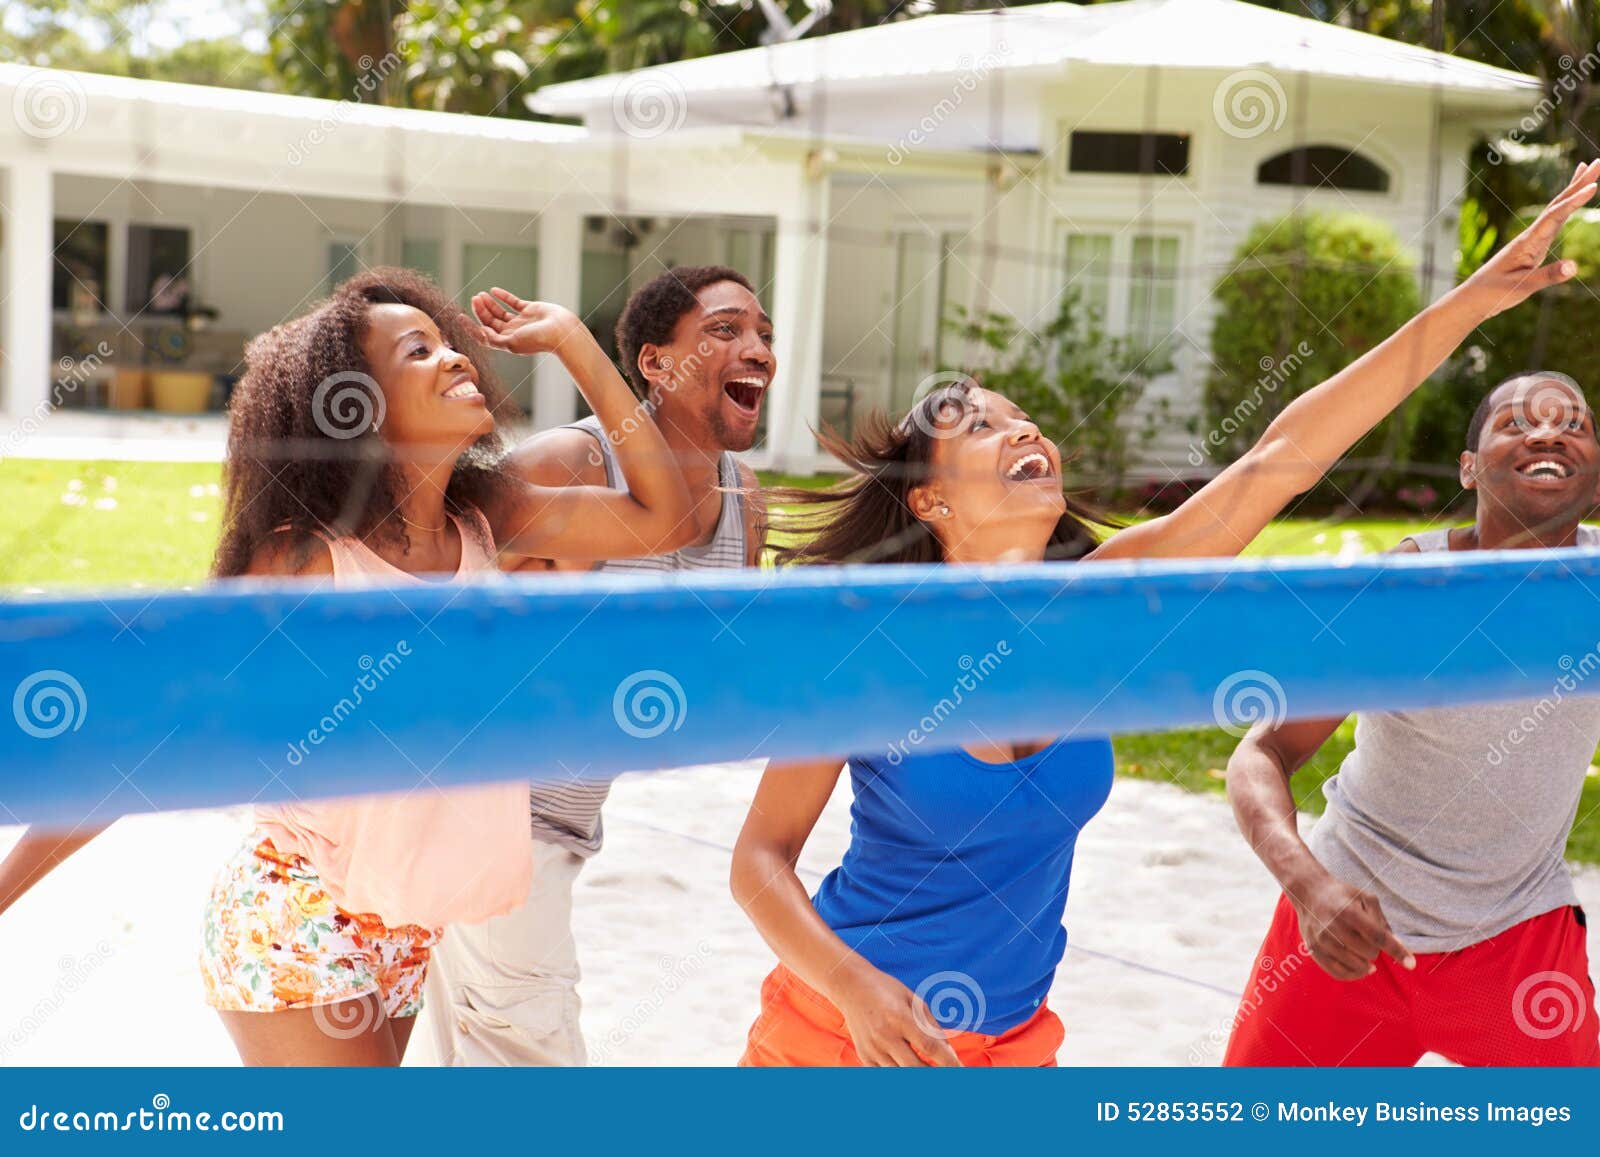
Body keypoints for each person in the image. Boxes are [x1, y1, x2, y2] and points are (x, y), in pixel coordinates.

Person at [729, 162, 1600, 1067]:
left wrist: (1471, 303)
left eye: (1025, 417)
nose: (1025, 430)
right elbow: (759, 858)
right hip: (835, 1037)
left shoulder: (1106, 602)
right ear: (929, 501)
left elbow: (1285, 456)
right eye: (985, 428)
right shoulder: (873, 647)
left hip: (1013, 1050)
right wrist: (855, 991)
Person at [0, 268, 695, 1066]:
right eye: (418, 351)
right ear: (358, 407)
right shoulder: (306, 562)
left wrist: (573, 341)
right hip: (296, 917)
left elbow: (663, 516)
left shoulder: (484, 517)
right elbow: (149, 734)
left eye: (448, 342)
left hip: (404, 927)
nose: (457, 359)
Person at [425, 265, 771, 1066]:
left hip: (565, 824)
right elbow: (435, 620)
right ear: (653, 363)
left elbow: (714, 677)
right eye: (724, 330)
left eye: (763, 334)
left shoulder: (742, 496)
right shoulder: (570, 464)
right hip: (489, 815)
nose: (755, 348)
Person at [1223, 369, 1600, 1067]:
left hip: (1518, 932)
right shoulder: (1399, 590)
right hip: (1352, 918)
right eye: (1515, 422)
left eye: (1572, 424)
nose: (1548, 431)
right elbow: (1261, 755)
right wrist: (1311, 888)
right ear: (1468, 467)